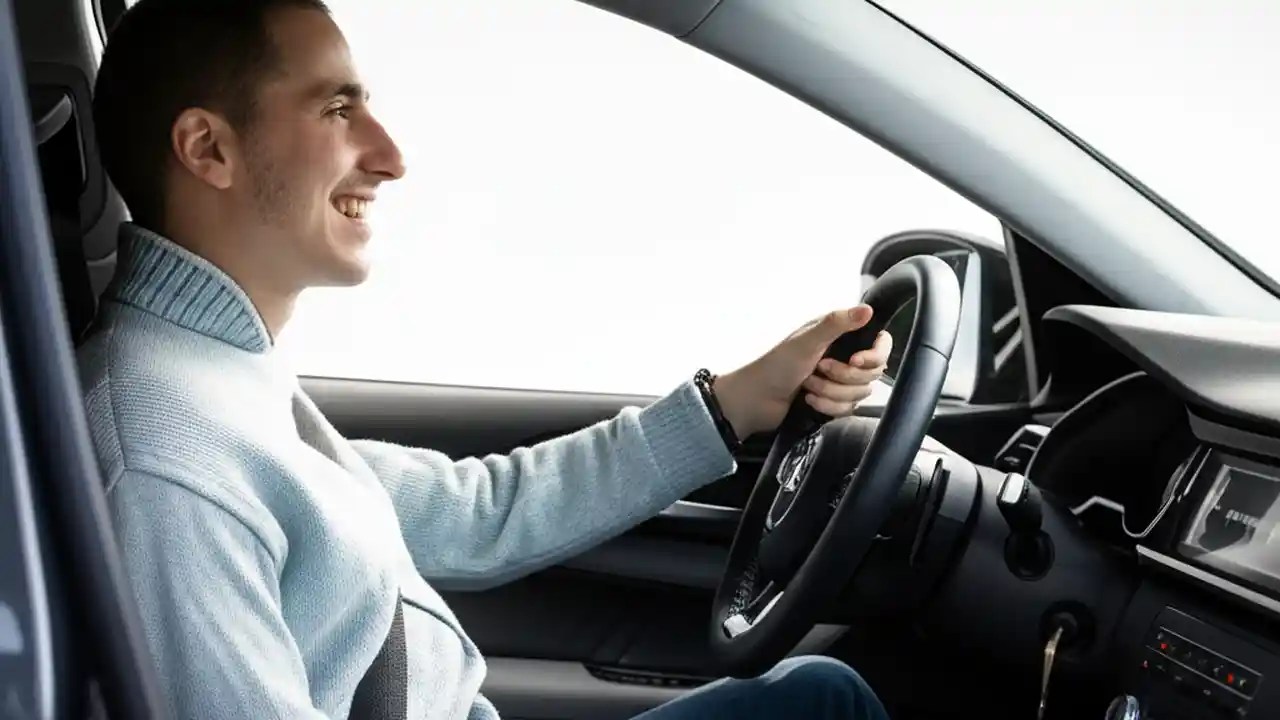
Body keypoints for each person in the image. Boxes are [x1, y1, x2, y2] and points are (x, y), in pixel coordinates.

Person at [79, 1, 895, 718]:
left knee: (820, 692)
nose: (390, 155)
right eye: (336, 109)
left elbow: (472, 513)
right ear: (206, 149)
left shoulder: (221, 372)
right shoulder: (164, 458)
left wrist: (731, 405)